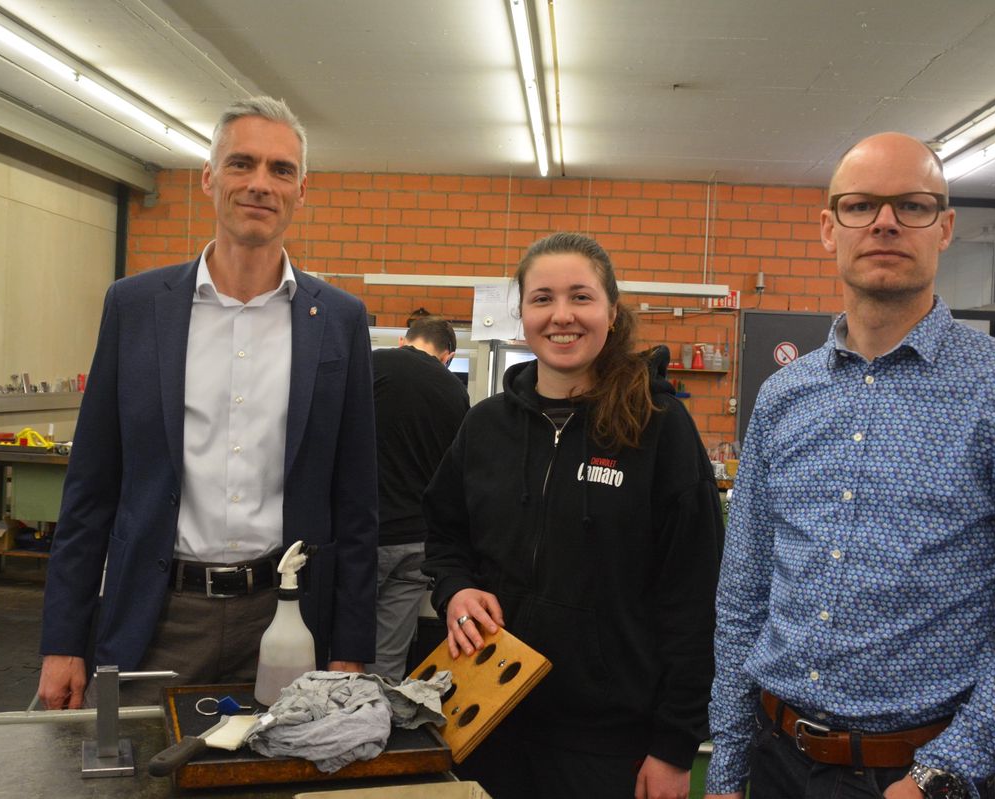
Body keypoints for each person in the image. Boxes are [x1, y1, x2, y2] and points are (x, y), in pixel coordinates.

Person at [704, 133, 995, 799]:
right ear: (828, 228)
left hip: (917, 774)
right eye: (860, 205)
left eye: (912, 205)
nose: (884, 222)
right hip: (775, 761)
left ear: (946, 227)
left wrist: (943, 771)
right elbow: (744, 596)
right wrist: (728, 768)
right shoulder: (784, 396)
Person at [37, 96, 379, 709]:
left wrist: (350, 649)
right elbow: (90, 490)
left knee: (276, 780)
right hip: (158, 615)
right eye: (241, 164)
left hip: (287, 622)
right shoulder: (136, 308)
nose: (259, 184)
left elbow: (356, 504)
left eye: (282, 170)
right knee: (140, 778)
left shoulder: (339, 321)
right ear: (208, 177)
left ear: (302, 191)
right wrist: (64, 640)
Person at [422, 232, 724, 799]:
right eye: (542, 299)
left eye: (580, 297)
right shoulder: (485, 426)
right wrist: (456, 589)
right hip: (487, 719)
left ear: (611, 309)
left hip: (610, 742)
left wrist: (674, 745)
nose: (562, 316)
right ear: (522, 312)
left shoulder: (658, 426)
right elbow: (444, 535)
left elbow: (694, 594)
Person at [366, 316, 469, 681]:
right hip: (417, 543)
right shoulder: (456, 392)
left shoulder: (374, 364)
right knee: (386, 664)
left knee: (339, 651)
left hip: (365, 535)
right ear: (449, 356)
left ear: (401, 340)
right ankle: (375, 726)